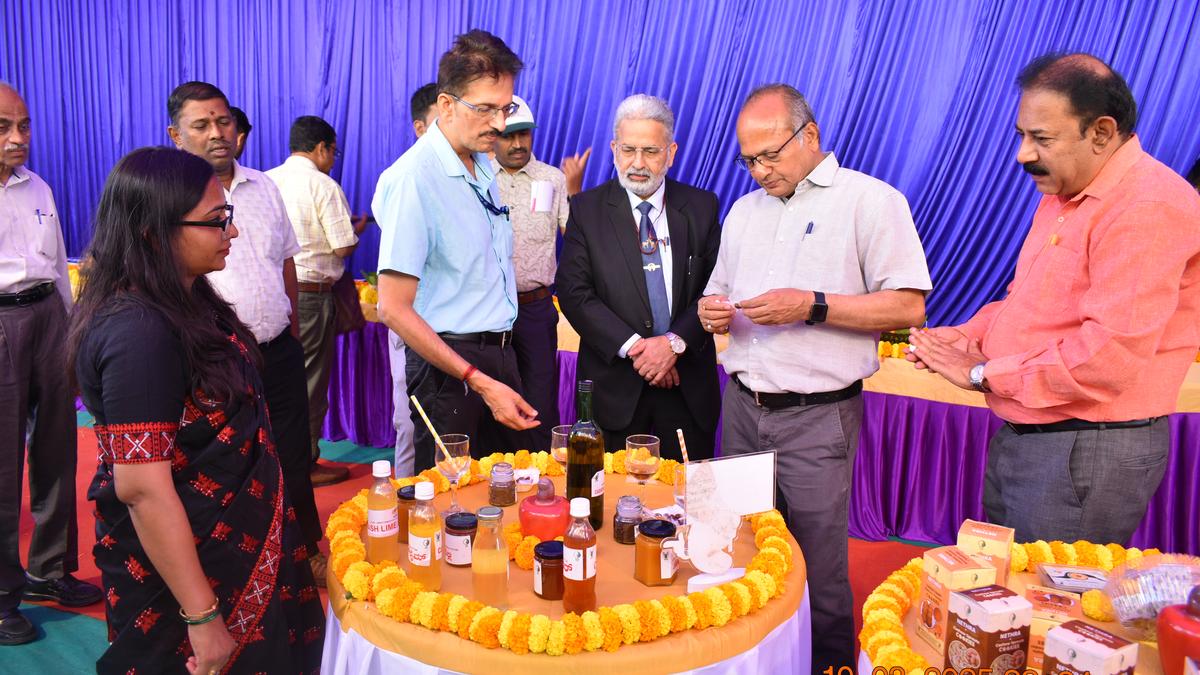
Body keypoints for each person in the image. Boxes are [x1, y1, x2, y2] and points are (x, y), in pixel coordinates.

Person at [908, 53, 1200, 546]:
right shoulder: (1063, 195)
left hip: (1084, 448)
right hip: (1037, 435)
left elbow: (1106, 357)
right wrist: (965, 337)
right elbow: (1028, 301)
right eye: (1021, 135)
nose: (1022, 155)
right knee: (1009, 585)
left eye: (1041, 139)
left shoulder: (1147, 205)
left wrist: (982, 373)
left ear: (1101, 133)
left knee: (1047, 591)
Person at [699, 83, 930, 672]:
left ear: (811, 135)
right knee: (740, 552)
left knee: (819, 568)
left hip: (818, 416)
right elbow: (716, 291)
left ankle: (827, 665)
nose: (760, 171)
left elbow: (908, 307)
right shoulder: (743, 212)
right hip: (742, 407)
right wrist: (711, 311)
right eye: (749, 160)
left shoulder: (870, 202)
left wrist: (812, 305)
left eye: (770, 155)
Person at [69, 146, 323, 674]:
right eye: (215, 221)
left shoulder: (187, 298)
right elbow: (142, 488)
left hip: (243, 546)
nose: (232, 231)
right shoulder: (136, 331)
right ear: (152, 233)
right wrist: (203, 616)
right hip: (190, 580)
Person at [166, 82, 331, 585]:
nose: (217, 133)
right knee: (225, 463)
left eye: (224, 122)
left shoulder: (265, 187)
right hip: (211, 357)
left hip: (277, 349)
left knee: (293, 454)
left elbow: (287, 262)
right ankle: (232, 565)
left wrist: (292, 330)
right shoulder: (167, 200)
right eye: (201, 125)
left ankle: (304, 552)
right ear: (176, 135)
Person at [373, 30, 537, 473]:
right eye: (484, 109)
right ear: (446, 105)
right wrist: (476, 380)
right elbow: (392, 308)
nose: (499, 124)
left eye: (505, 108)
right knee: (450, 500)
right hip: (448, 368)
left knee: (504, 489)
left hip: (497, 353)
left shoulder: (482, 163)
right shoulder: (414, 179)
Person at [557, 94, 721, 460]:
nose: (638, 163)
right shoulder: (587, 210)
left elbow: (715, 288)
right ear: (614, 149)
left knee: (685, 492)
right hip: (616, 391)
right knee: (614, 491)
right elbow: (574, 292)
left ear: (671, 153)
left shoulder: (702, 207)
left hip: (687, 388)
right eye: (628, 150)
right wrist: (640, 349)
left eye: (650, 151)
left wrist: (672, 344)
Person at [0, 82, 102, 646]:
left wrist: (72, 329)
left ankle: (49, 569)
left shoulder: (37, 185)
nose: (18, 138)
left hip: (48, 317)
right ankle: (1, 597)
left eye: (24, 125)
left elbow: (59, 265)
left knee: (58, 448)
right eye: (3, 127)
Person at [266, 115, 368, 495]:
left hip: (273, 291)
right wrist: (355, 232)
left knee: (276, 377)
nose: (332, 160)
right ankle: (303, 462)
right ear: (322, 148)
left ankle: (275, 457)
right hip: (309, 295)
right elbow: (342, 246)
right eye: (333, 152)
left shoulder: (266, 181)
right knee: (309, 380)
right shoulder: (323, 186)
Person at [491, 94, 569, 451]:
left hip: (535, 309)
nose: (518, 143)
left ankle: (542, 474)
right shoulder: (477, 178)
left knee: (540, 401)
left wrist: (576, 191)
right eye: (508, 135)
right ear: (493, 136)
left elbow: (574, 236)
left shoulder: (551, 179)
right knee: (494, 399)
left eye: (524, 134)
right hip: (488, 311)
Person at [385, 83, 438, 478]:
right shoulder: (405, 179)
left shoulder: (474, 174)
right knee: (410, 419)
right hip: (415, 318)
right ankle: (406, 497)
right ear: (420, 128)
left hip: (456, 329)